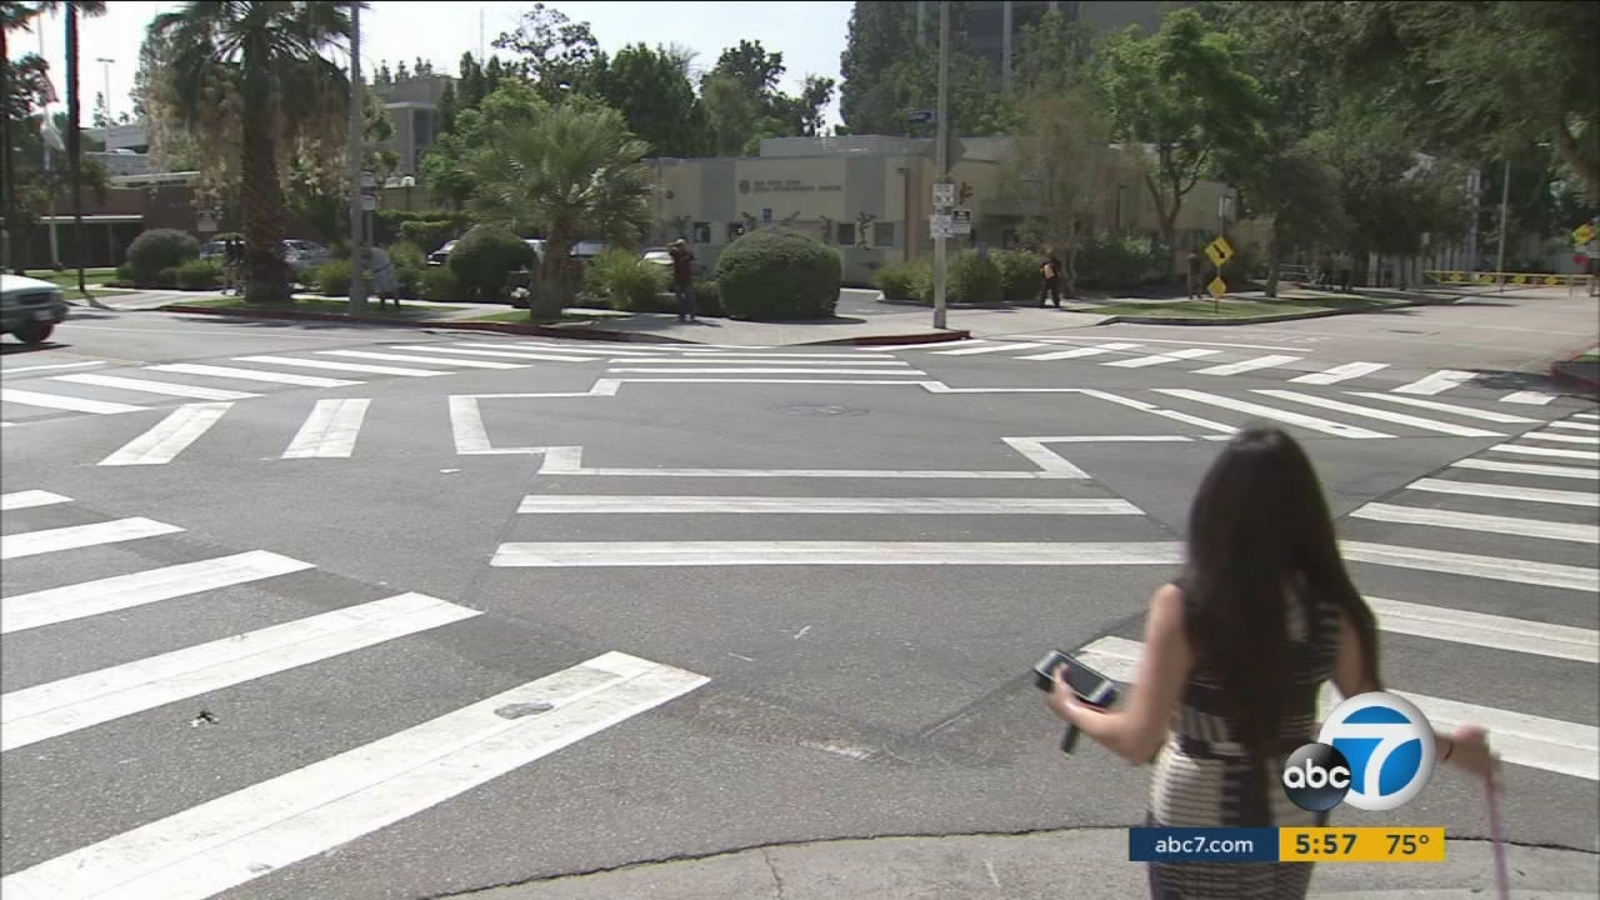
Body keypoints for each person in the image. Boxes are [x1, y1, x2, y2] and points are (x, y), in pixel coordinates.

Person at [1045, 425, 1498, 900]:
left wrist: (1071, 707)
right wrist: (1454, 749)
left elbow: (1138, 741)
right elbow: (1376, 724)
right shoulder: (1331, 611)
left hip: (1202, 812)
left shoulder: (1187, 607)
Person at [668, 238, 696, 322]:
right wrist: (674, 244)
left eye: (682, 245)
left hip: (687, 278)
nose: (681, 247)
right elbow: (669, 247)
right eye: (679, 245)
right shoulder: (675, 254)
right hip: (677, 278)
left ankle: (692, 315)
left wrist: (687, 247)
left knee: (689, 297)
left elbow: (692, 257)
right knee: (679, 298)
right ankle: (681, 316)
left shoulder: (688, 254)